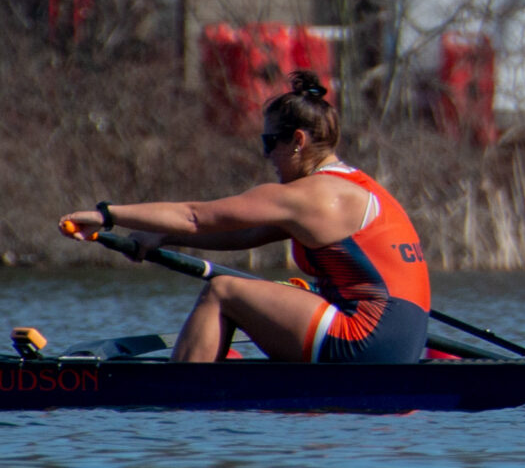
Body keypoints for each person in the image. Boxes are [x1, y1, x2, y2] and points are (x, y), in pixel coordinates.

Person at [58, 72, 433, 364]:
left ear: (298, 141)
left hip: (367, 339)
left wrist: (106, 216)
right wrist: (161, 237)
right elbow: (245, 233)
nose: (267, 155)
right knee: (273, 293)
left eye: (269, 142)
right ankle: (209, 362)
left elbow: (194, 217)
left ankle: (177, 399)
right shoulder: (350, 186)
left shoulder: (311, 196)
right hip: (401, 339)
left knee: (222, 291)